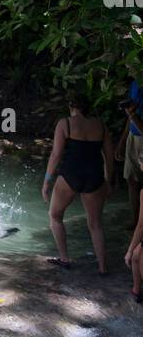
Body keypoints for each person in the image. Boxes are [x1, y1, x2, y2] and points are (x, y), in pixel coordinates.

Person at [42, 93, 112, 273]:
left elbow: (56, 154)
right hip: (95, 176)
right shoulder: (101, 126)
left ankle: (65, 259)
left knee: (55, 216)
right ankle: (103, 268)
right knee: (96, 224)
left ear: (71, 107)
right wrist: (108, 181)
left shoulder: (65, 123)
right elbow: (109, 158)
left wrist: (47, 181)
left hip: (70, 175)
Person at [115, 74, 143, 226]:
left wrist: (132, 114)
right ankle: (136, 220)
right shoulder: (134, 83)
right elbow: (130, 115)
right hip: (133, 134)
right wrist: (122, 141)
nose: (126, 67)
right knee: (131, 179)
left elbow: (132, 114)